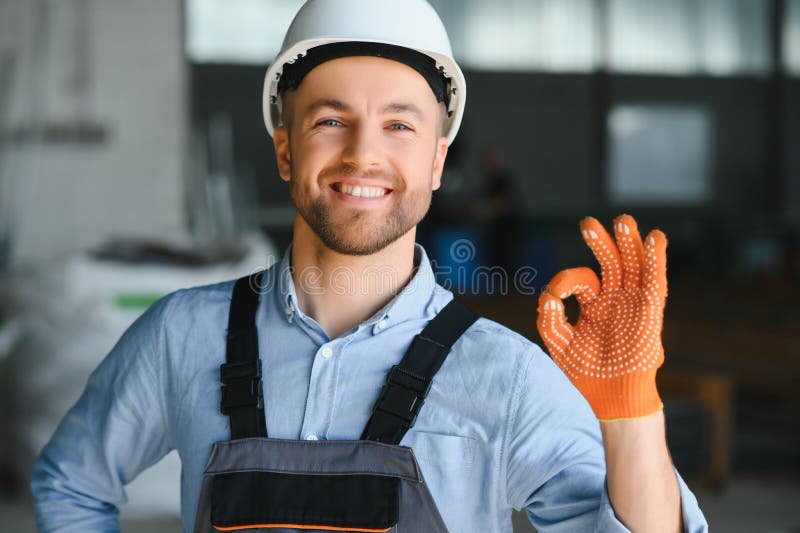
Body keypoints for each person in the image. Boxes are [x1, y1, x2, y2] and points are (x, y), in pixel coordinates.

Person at [32, 1, 708, 531]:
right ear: (285, 151)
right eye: (330, 121)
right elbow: (71, 480)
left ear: (437, 163)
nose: (363, 155)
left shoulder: (507, 376)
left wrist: (631, 416)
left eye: (400, 125)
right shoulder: (181, 336)